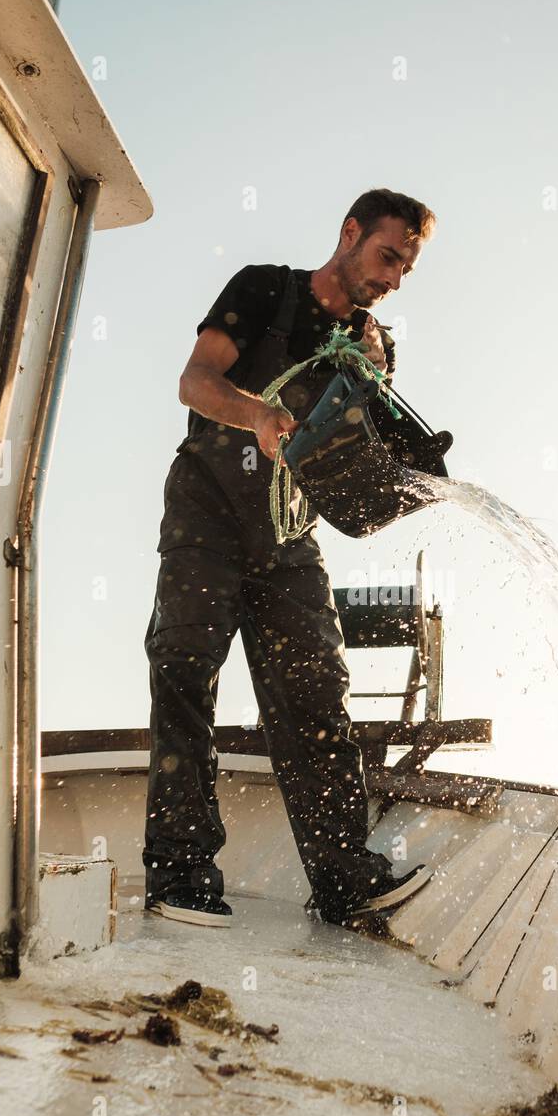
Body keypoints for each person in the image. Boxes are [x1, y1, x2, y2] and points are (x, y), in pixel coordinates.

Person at [142, 188, 438, 927]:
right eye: (386, 256)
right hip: (208, 508)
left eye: (407, 267)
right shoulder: (264, 288)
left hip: (288, 538)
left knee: (316, 699)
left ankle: (343, 880)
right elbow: (195, 381)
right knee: (185, 674)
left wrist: (378, 385)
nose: (394, 277)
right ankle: (180, 875)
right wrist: (259, 416)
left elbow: (359, 461)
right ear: (349, 234)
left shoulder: (374, 345)